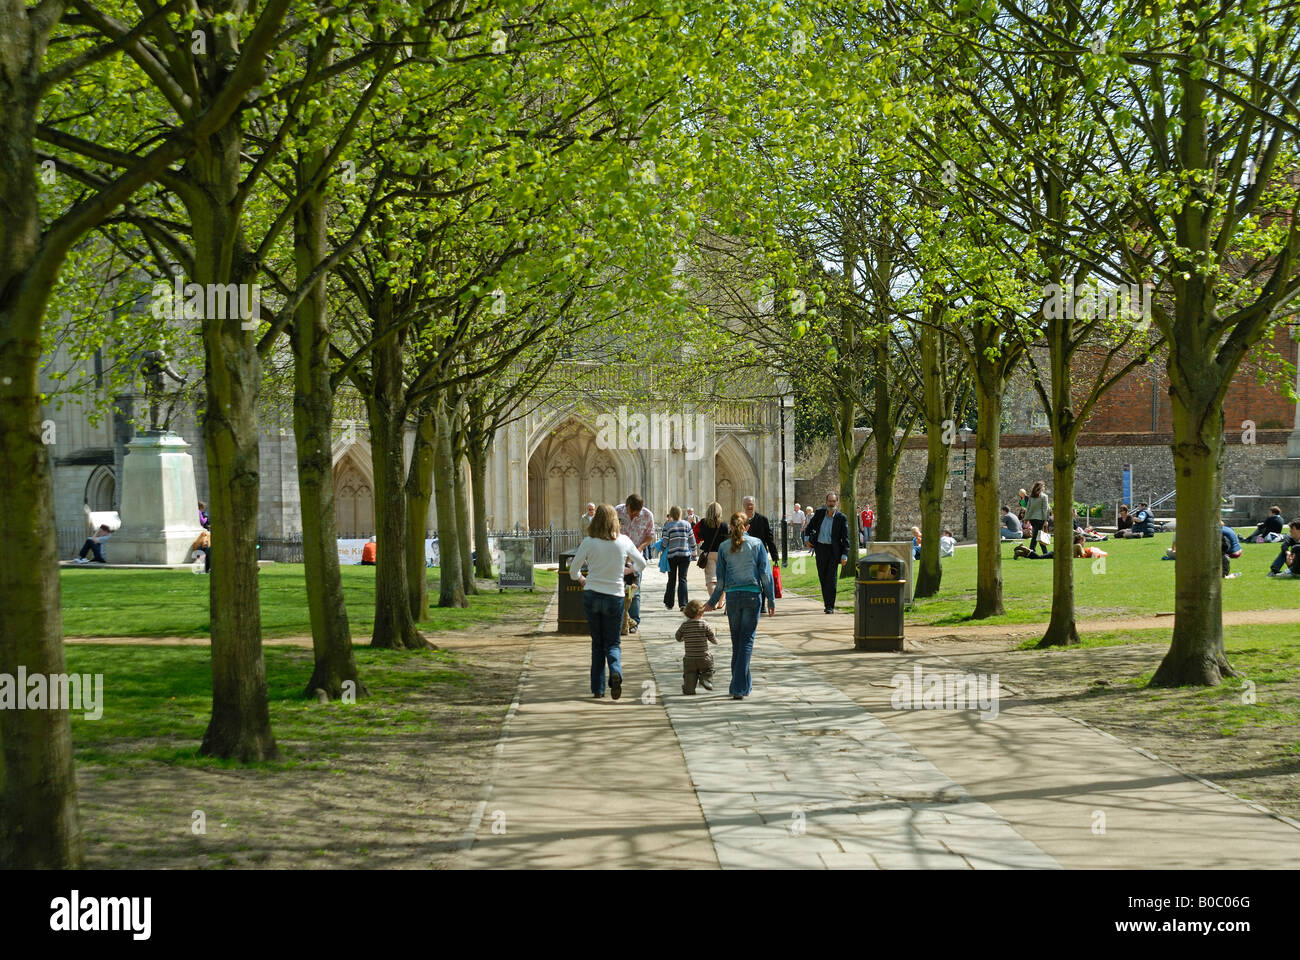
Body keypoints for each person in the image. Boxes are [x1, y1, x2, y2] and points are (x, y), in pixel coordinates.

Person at [571, 504, 646, 699]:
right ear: (615, 520)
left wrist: (581, 579)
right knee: (613, 642)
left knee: (597, 643)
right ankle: (615, 670)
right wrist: (627, 571)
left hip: (592, 593)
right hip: (615, 595)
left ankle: (598, 688)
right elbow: (642, 563)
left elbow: (573, 571)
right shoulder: (624, 541)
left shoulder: (589, 542)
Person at [704, 512, 776, 700]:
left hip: (734, 597)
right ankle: (737, 687)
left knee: (739, 643)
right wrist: (771, 599)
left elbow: (720, 581)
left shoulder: (723, 547)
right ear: (747, 527)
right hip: (752, 596)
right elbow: (765, 576)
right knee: (746, 642)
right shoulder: (757, 544)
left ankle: (744, 685)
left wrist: (713, 601)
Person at [802, 492, 850, 614]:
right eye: (829, 501)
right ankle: (826, 603)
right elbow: (809, 527)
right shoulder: (819, 513)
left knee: (831, 578)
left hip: (833, 551)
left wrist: (845, 555)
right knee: (823, 577)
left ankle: (830, 606)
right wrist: (806, 539)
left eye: (834, 501)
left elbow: (845, 538)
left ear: (836, 502)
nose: (831, 504)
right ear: (826, 502)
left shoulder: (841, 518)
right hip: (820, 549)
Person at [614, 494, 655, 633]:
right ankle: (618, 620)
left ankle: (634, 622)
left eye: (636, 512)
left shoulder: (648, 515)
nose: (633, 514)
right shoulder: (617, 511)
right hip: (618, 556)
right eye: (631, 511)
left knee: (634, 590)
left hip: (635, 558)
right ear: (627, 505)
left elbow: (650, 535)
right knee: (617, 589)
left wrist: (640, 548)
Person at [676, 599, 718, 694]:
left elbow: (677, 636)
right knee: (708, 669)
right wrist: (715, 641)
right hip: (704, 657)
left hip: (689, 658)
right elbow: (711, 637)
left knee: (689, 673)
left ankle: (689, 689)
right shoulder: (705, 625)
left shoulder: (684, 625)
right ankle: (705, 679)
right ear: (701, 613)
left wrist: (682, 639)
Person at [661, 505, 696, 610]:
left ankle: (669, 603)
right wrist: (694, 551)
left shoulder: (668, 525)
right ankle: (683, 603)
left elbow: (665, 541)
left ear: (671, 514)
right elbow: (691, 540)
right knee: (683, 579)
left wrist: (662, 549)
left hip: (672, 555)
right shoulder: (687, 524)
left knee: (671, 579)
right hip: (685, 555)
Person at [697, 501, 729, 607]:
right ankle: (720, 602)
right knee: (722, 579)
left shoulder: (703, 523)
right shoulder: (724, 525)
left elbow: (700, 536)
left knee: (710, 580)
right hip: (721, 554)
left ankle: (713, 602)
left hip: (709, 553)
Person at [741, 495, 777, 560]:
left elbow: (769, 539)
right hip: (744, 556)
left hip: (760, 554)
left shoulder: (763, 520)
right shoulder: (739, 520)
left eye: (751, 504)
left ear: (754, 505)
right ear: (743, 505)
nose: (749, 506)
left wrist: (775, 556)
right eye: (747, 504)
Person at [1024, 481, 1051, 555]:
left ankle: (1034, 550)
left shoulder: (1031, 497)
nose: (1044, 488)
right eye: (1044, 486)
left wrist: (1026, 518)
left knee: (1037, 535)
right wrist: (1046, 520)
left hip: (1032, 519)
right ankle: (1037, 551)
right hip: (1040, 519)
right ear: (1041, 487)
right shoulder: (1044, 496)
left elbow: (1028, 508)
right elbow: (1045, 509)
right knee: (1038, 535)